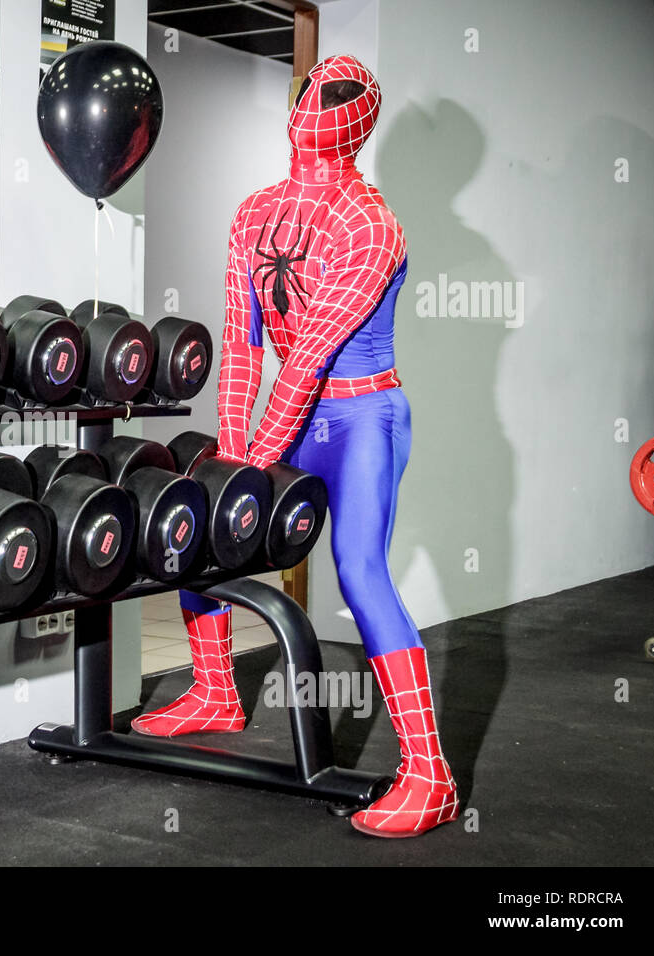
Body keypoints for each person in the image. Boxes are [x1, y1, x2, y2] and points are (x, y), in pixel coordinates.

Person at [132, 55, 458, 838]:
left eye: (338, 96)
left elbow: (310, 353)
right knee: (204, 526)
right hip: (298, 415)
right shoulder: (255, 212)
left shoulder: (370, 222)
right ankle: (215, 690)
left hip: (362, 418)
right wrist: (233, 455)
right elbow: (244, 347)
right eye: (314, 89)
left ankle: (432, 775)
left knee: (359, 570)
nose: (319, 103)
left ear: (360, 119)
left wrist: (254, 455)